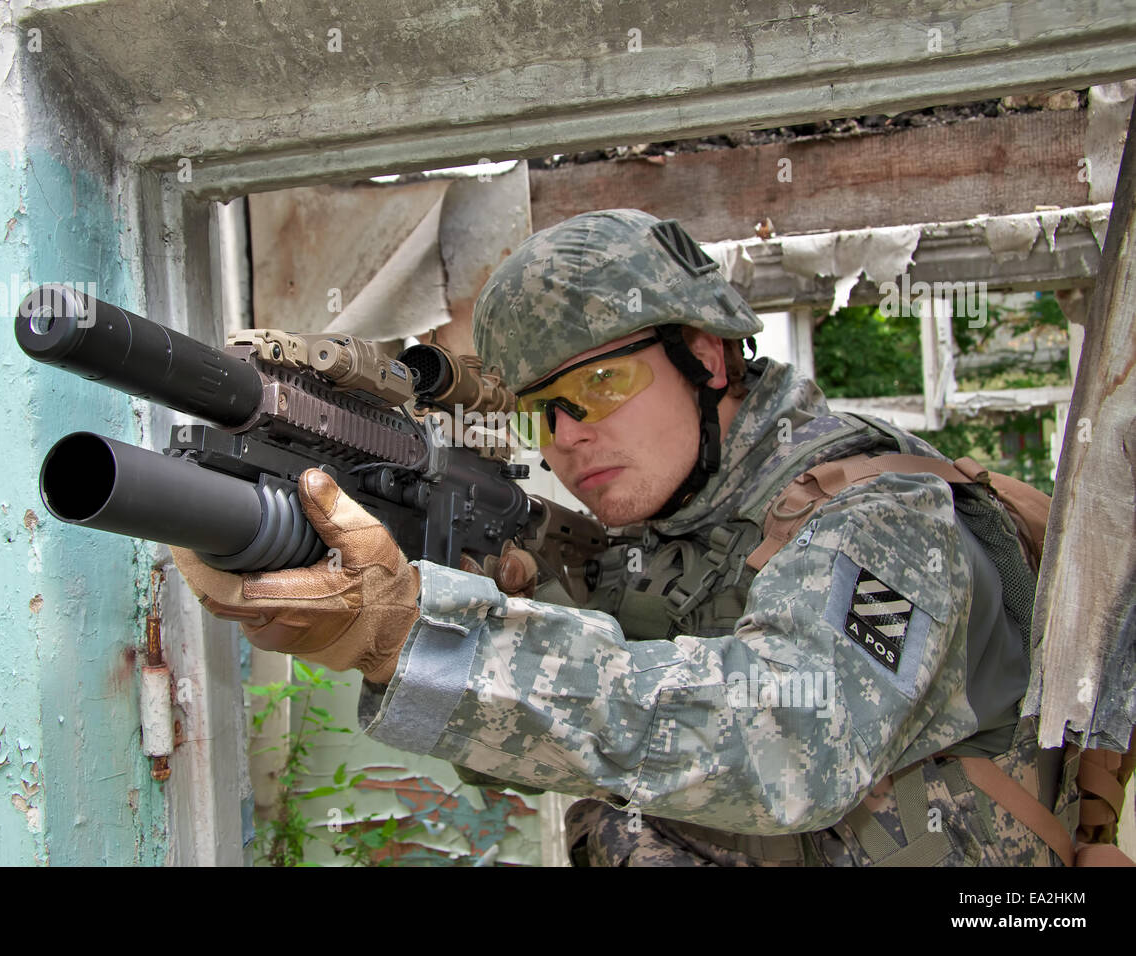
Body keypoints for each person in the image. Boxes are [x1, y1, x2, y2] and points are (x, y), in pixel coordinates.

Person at [173, 209, 1065, 867]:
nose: (567, 438)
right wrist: (512, 605)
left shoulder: (882, 513)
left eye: (599, 384)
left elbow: (788, 741)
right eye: (540, 413)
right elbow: (542, 760)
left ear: (706, 358)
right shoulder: (681, 527)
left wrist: (431, 640)